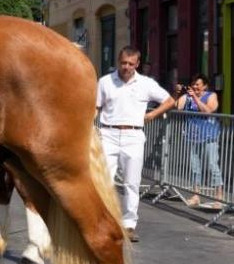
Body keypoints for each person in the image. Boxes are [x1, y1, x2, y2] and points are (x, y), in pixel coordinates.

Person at [96, 46, 174, 242]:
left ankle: (129, 225)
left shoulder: (146, 83)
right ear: (118, 61)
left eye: (131, 64)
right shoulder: (105, 82)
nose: (126, 67)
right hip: (108, 133)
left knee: (132, 183)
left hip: (133, 136)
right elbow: (96, 107)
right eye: (123, 63)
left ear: (137, 64)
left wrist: (153, 114)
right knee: (103, 180)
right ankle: (103, 221)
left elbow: (169, 100)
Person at [176, 74, 224, 208]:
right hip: (193, 136)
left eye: (198, 84)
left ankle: (219, 198)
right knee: (195, 166)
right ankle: (196, 195)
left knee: (212, 165)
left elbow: (208, 111)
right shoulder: (187, 97)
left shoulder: (211, 96)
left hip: (209, 136)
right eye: (193, 84)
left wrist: (196, 98)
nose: (195, 87)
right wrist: (178, 93)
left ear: (205, 86)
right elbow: (177, 107)